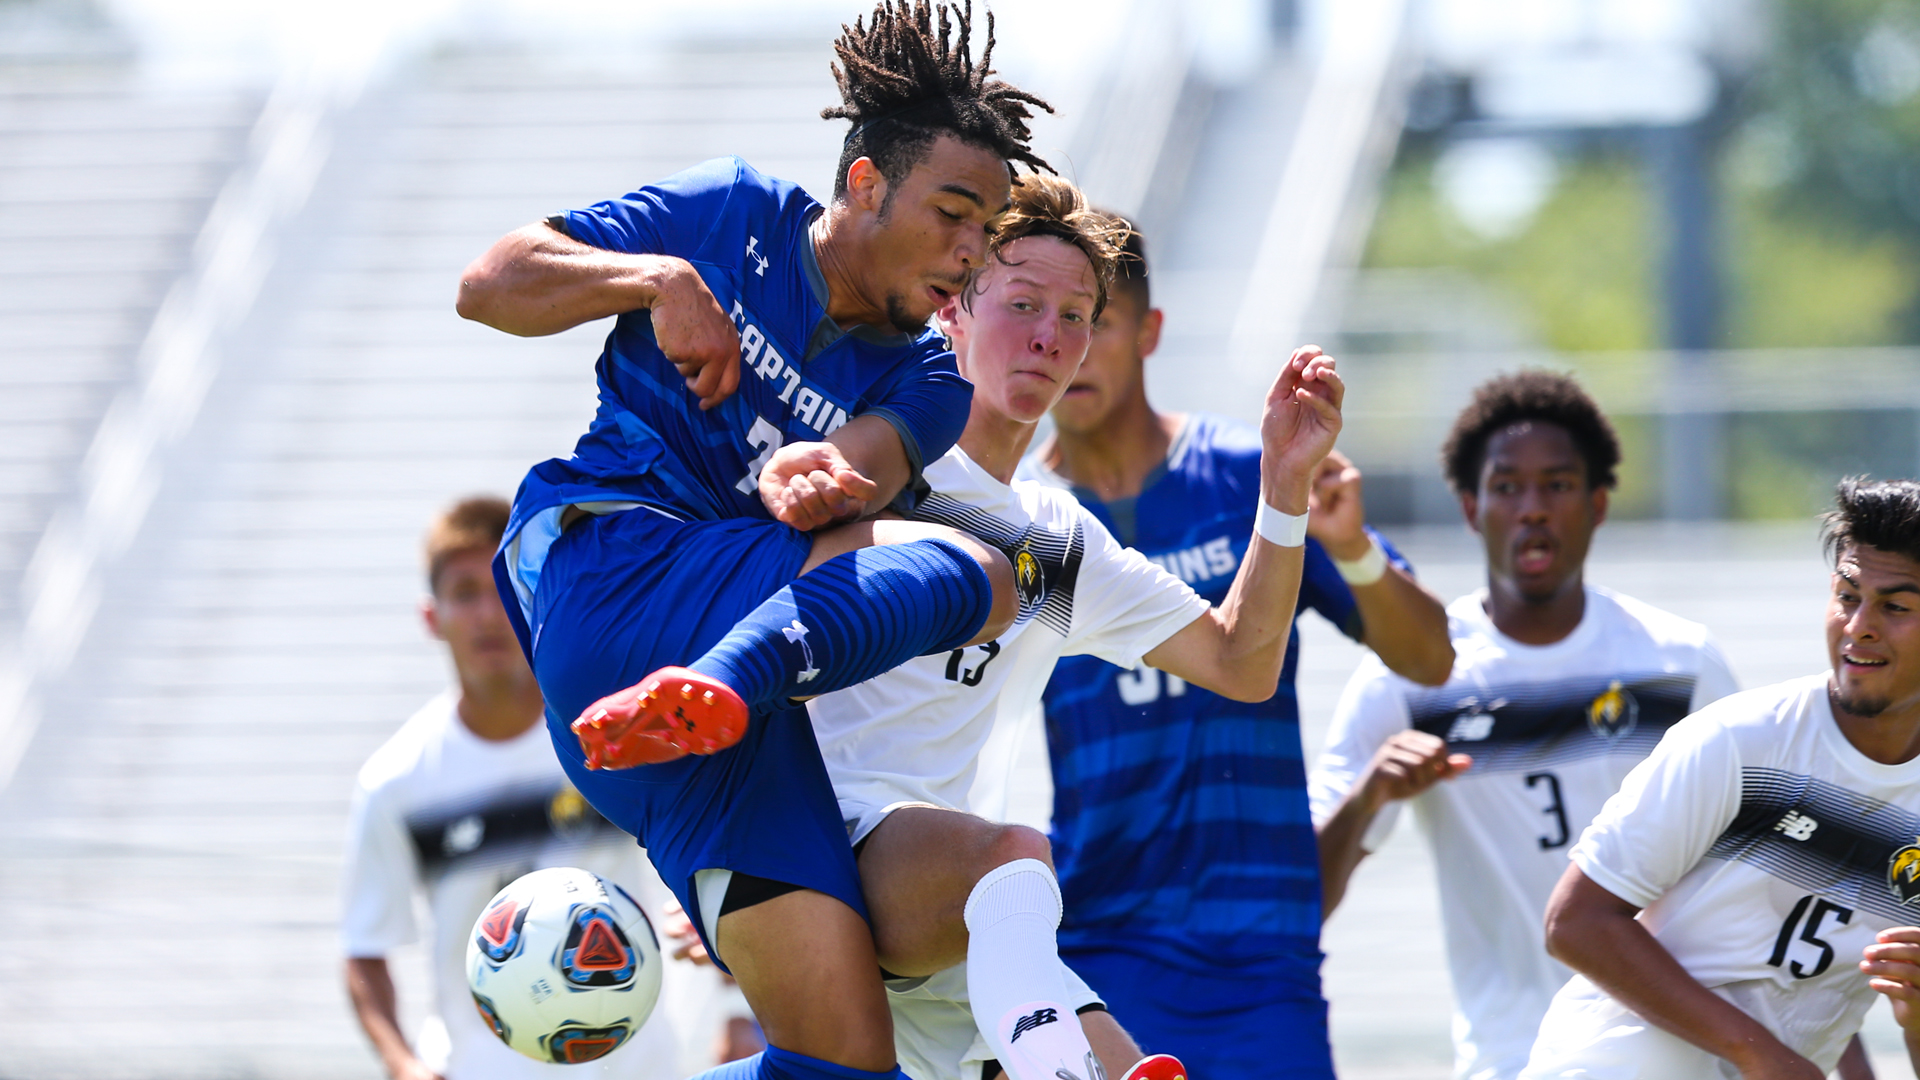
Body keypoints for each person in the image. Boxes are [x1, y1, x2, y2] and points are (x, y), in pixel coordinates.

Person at [455, 6, 1053, 1079]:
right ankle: (721, 684)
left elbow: (862, 466)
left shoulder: (928, 375)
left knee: (843, 1066)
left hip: (711, 725)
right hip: (615, 573)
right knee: (983, 571)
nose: (970, 255)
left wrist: (816, 477)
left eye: (986, 232)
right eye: (954, 213)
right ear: (865, 183)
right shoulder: (731, 212)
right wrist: (655, 281)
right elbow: (490, 284)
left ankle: (722, 692)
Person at [801, 176, 1342, 1080]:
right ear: (953, 315)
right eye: (1021, 304)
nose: (1052, 336)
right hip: (825, 865)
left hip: (953, 914)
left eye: (1077, 314)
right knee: (1015, 863)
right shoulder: (870, 465)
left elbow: (1243, 663)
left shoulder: (1046, 547)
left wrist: (1283, 492)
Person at [1011, 225, 1452, 1077]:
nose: (1069, 344)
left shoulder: (1263, 475)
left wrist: (1353, 548)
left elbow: (1433, 660)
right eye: (1046, 315)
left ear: (1149, 330)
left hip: (1260, 957)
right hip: (1097, 948)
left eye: (1094, 318)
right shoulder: (1024, 521)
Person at [1308, 371, 1742, 1080]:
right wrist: (1367, 799)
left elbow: (1766, 873)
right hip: (1514, 1060)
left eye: (1559, 485)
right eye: (1508, 487)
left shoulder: (1679, 664)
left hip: (1675, 1056)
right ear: (1472, 507)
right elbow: (1303, 904)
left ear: (1599, 505)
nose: (1533, 509)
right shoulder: (1409, 678)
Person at [1520, 477, 1920, 1079]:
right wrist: (1756, 1051)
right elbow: (1574, 922)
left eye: (1896, 607)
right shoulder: (1741, 742)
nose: (1858, 625)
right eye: (1846, 595)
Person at [341, 496, 681, 1080]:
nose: (486, 614)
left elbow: (708, 866)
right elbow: (365, 951)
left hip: (634, 1067)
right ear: (432, 616)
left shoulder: (610, 731)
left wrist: (730, 1010)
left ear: (529, 596)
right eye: (464, 592)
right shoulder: (396, 780)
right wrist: (401, 1064)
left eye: (499, 587)